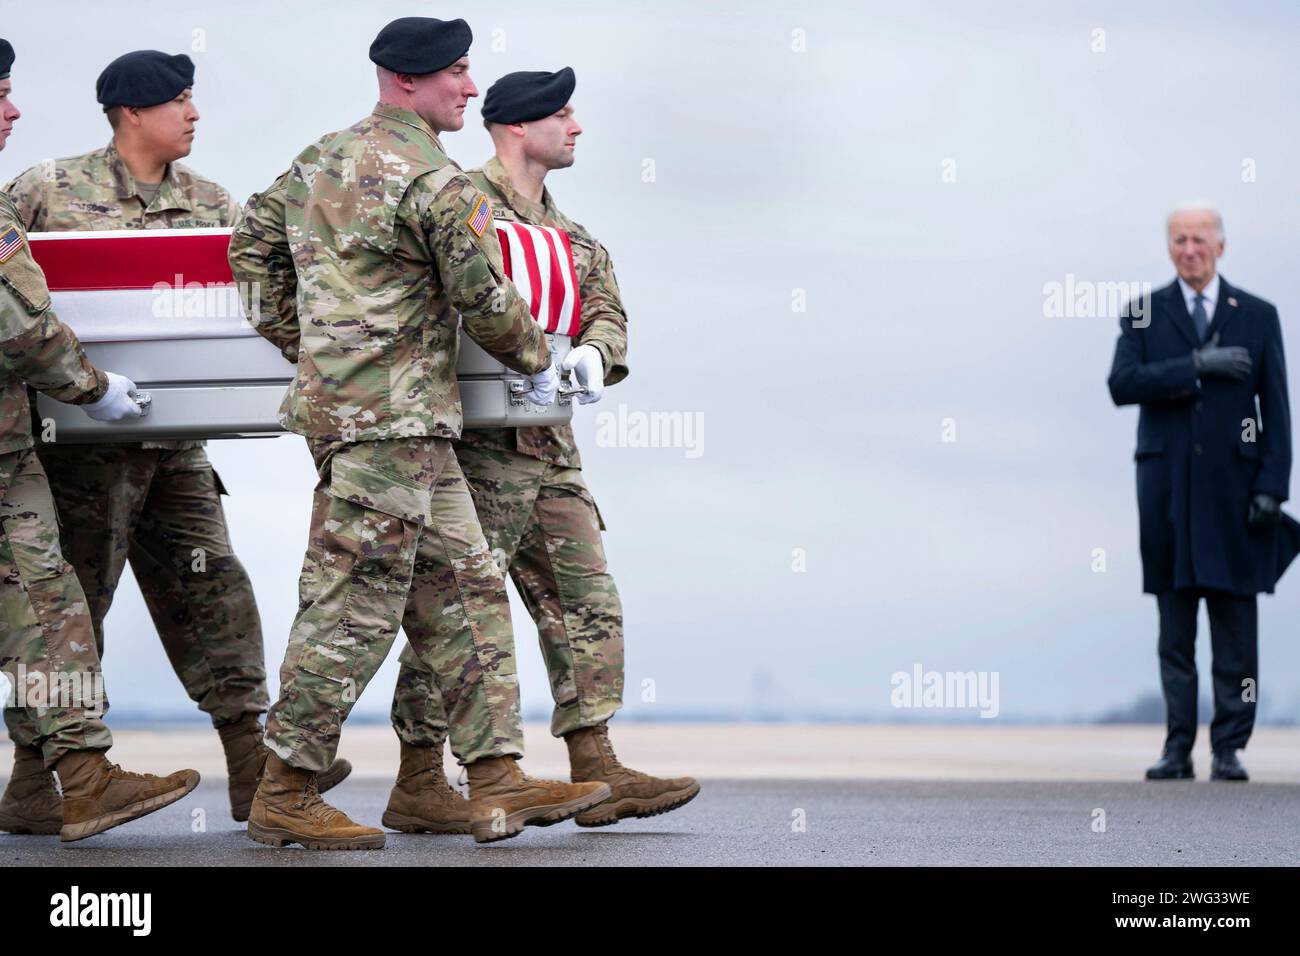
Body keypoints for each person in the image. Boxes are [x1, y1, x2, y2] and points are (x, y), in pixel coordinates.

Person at [228, 16, 609, 849]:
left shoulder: (318, 159)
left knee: (469, 586)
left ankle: (497, 776)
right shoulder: (435, 179)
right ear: (407, 80)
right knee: (353, 605)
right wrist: (539, 359)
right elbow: (485, 297)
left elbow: (249, 250)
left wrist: (315, 347)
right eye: (457, 74)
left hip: (389, 424)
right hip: (393, 429)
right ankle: (285, 787)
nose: (469, 89)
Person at [1, 49, 350, 827]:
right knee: (66, 610)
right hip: (80, 450)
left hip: (177, 445)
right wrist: (78, 388)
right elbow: (13, 304)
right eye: (180, 101)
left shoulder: (213, 200)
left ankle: (250, 762)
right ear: (133, 111)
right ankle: (34, 780)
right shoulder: (44, 190)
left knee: (214, 588)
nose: (193, 115)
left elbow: (240, 306)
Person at [385, 67, 698, 833]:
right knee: (457, 617)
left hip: (550, 450)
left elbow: (607, 313)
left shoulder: (575, 238)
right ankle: (422, 775)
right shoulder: (452, 205)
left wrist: (598, 351)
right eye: (562, 114)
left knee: (585, 602)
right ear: (517, 126)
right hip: (470, 452)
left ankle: (596, 763)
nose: (577, 126)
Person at [0, 36, 201, 842]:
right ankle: (83, 778)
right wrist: (92, 387)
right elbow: (18, 322)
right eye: (1, 91)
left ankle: (57, 780)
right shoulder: (34, 192)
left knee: (30, 614)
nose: (14, 108)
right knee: (48, 609)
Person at [1108, 201, 1300, 782]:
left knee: (1235, 631)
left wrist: (1273, 486)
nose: (1188, 249)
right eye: (1178, 240)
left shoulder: (1259, 315)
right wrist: (1194, 364)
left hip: (1235, 497)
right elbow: (1122, 384)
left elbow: (1279, 410)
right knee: (1175, 633)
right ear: (1168, 248)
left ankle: (1229, 748)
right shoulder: (1143, 314)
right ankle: (1176, 747)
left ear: (1221, 246)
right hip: (1166, 495)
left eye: (1198, 239)